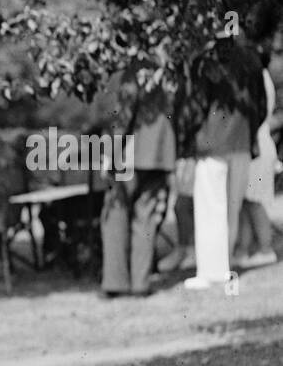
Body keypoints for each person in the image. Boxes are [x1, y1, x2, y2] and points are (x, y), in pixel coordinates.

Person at [184, 42, 264, 289]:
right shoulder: (250, 58)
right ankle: (224, 263)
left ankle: (212, 270)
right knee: (231, 207)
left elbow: (196, 106)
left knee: (211, 207)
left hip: (212, 141)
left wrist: (190, 137)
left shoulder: (205, 59)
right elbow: (259, 103)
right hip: (241, 141)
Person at [100, 83, 176, 296]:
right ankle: (141, 284)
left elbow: (123, 119)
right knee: (146, 218)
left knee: (114, 215)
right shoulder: (166, 70)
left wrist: (109, 156)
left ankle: (115, 283)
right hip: (158, 157)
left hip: (131, 157)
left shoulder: (133, 74)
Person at [234, 57, 278, 268]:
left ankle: (265, 248)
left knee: (254, 199)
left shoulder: (257, 77)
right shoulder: (257, 76)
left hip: (258, 144)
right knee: (245, 200)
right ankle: (244, 249)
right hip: (251, 142)